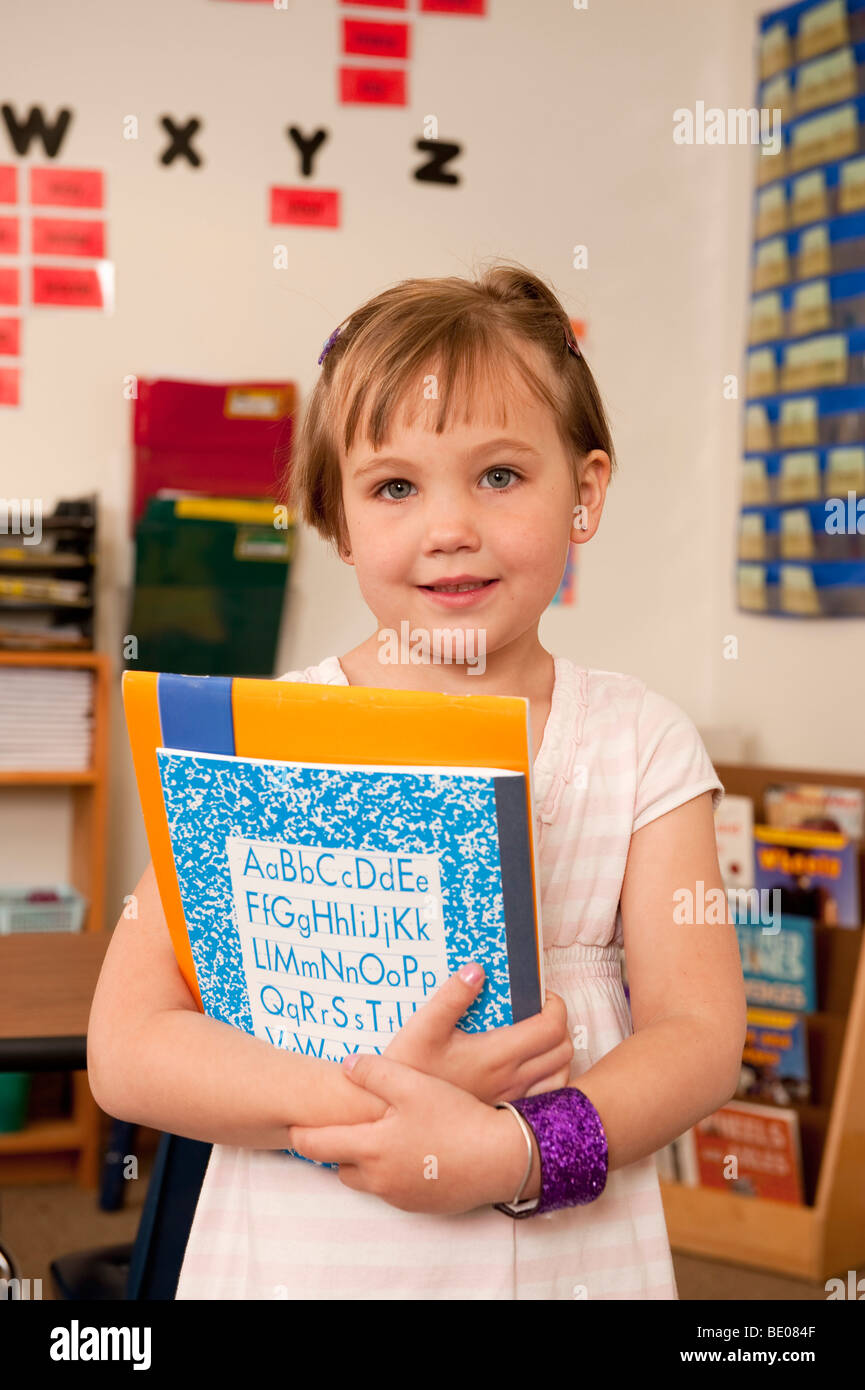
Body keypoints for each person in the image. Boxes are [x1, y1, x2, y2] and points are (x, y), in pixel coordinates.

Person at [88, 260, 746, 1300]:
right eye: (395, 485)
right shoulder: (254, 740)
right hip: (304, 1258)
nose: (449, 527)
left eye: (498, 475)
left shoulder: (640, 741)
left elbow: (701, 1035)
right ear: (337, 517)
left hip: (560, 1254)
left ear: (584, 492)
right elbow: (127, 1047)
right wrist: (376, 1103)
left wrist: (516, 1154)